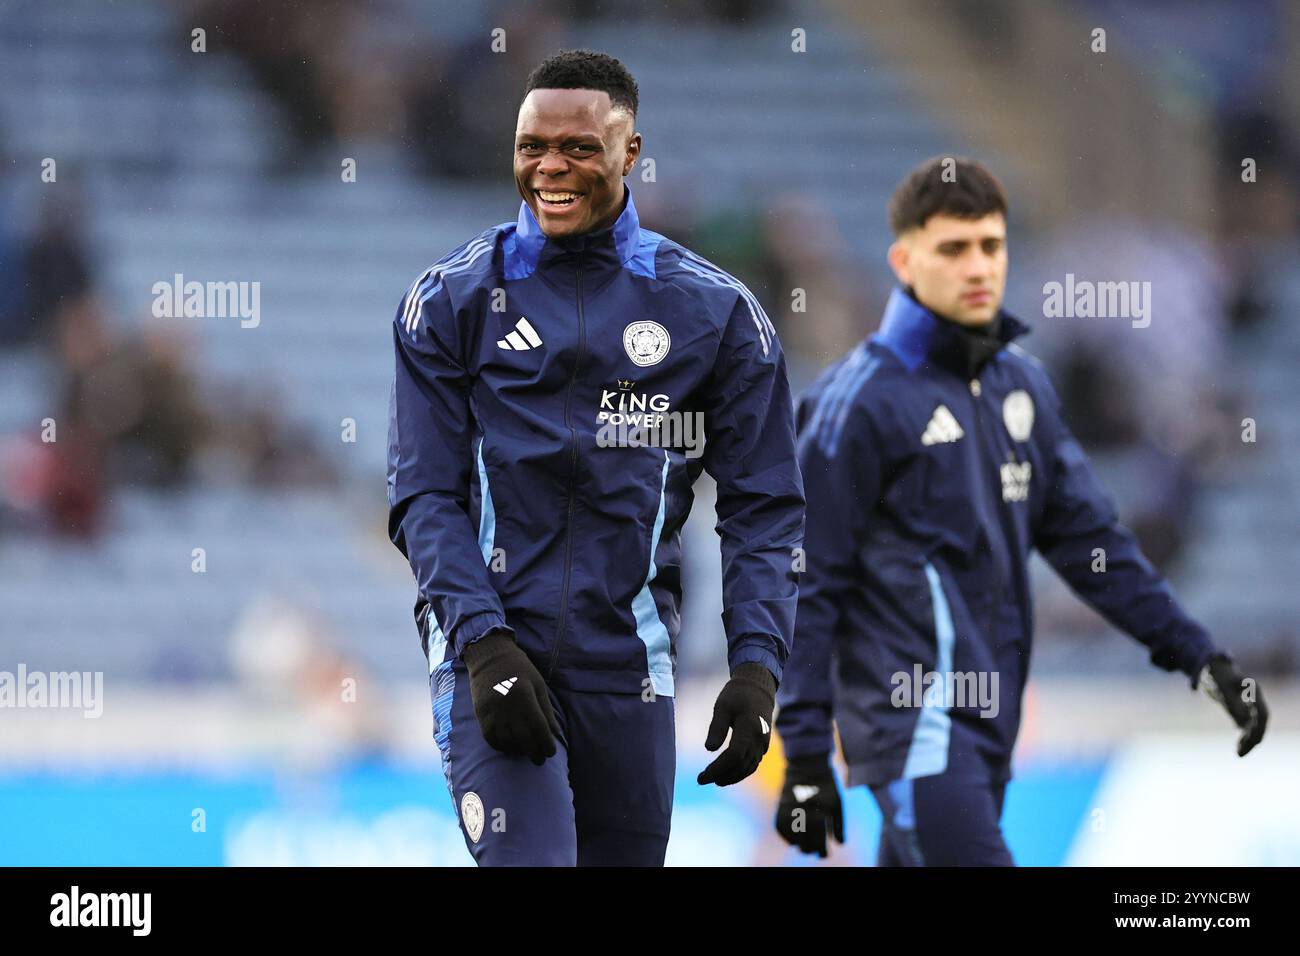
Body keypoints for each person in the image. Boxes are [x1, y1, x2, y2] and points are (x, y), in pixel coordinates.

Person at [773, 157, 1267, 865]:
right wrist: (807, 754)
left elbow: (1097, 552)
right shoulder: (854, 408)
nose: (977, 269)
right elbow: (809, 589)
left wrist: (1200, 658)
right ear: (907, 261)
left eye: (990, 248)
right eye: (953, 249)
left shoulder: (1017, 391)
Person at [387, 50, 804, 866]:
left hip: (632, 671)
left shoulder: (716, 316)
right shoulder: (451, 303)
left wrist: (757, 666)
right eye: (531, 145)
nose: (550, 166)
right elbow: (423, 498)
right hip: (496, 656)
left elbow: (765, 507)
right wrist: (482, 642)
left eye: (579, 147)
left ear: (631, 153)